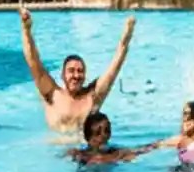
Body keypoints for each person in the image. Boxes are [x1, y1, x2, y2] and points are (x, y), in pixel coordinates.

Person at [19, 7, 136, 135]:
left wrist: (127, 36)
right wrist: (26, 30)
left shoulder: (92, 97)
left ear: (85, 76)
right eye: (71, 71)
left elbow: (114, 68)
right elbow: (33, 61)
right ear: (63, 76)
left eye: (80, 71)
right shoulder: (52, 94)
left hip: (84, 151)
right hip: (55, 150)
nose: (76, 75)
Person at [66, 112, 154, 165]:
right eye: (97, 134)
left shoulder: (78, 154)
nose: (103, 137)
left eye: (107, 132)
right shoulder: (117, 155)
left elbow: (141, 150)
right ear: (87, 137)